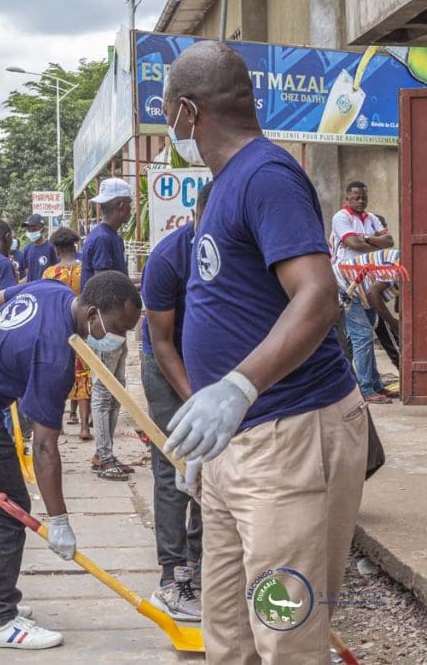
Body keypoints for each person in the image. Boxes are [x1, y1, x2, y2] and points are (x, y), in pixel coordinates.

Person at [162, 42, 366, 663]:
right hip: (237, 449)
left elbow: (318, 295)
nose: (170, 122)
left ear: (189, 113)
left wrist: (238, 388)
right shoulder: (226, 186)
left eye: (168, 111)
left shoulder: (265, 176)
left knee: (288, 641)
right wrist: (210, 431)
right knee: (228, 637)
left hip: (288, 441)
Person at [0, 272, 141, 650]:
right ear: (94, 314)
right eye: (119, 327)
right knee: (11, 508)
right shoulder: (56, 357)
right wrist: (60, 522)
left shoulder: (51, 290)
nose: (120, 337)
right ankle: (1, 619)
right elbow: (44, 448)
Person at [139, 182, 211, 623]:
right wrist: (198, 401)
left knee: (213, 460)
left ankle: (202, 558)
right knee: (175, 464)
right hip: (165, 363)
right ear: (198, 216)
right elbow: (162, 343)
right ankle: (172, 574)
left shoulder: (236, 248)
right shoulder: (168, 258)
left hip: (211, 360)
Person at [79, 178, 134, 481]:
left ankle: (105, 451)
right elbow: (105, 284)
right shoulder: (102, 239)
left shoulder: (111, 236)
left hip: (113, 326)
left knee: (116, 390)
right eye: (128, 208)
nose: (130, 213)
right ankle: (104, 454)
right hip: (104, 327)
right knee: (104, 392)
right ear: (121, 206)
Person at [329, 182, 396, 403]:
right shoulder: (341, 217)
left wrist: (365, 240)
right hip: (346, 281)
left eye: (363, 197)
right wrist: (371, 242)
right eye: (356, 197)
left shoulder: (371, 218)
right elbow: (351, 242)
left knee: (368, 334)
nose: (360, 201)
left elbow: (388, 241)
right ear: (346, 198)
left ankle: (375, 384)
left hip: (365, 281)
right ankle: (367, 389)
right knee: (362, 336)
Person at [42, 228, 92, 440]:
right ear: (75, 246)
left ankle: (59, 425)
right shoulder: (85, 271)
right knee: (83, 373)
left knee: (57, 374)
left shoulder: (50, 273)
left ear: (56, 249)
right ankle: (84, 428)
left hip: (57, 328)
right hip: (82, 328)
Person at [19, 213, 57, 282]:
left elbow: (56, 271)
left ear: (41, 228)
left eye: (33, 228)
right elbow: (28, 275)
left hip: (47, 288)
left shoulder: (51, 248)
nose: (30, 231)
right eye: (28, 229)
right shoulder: (27, 249)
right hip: (32, 289)